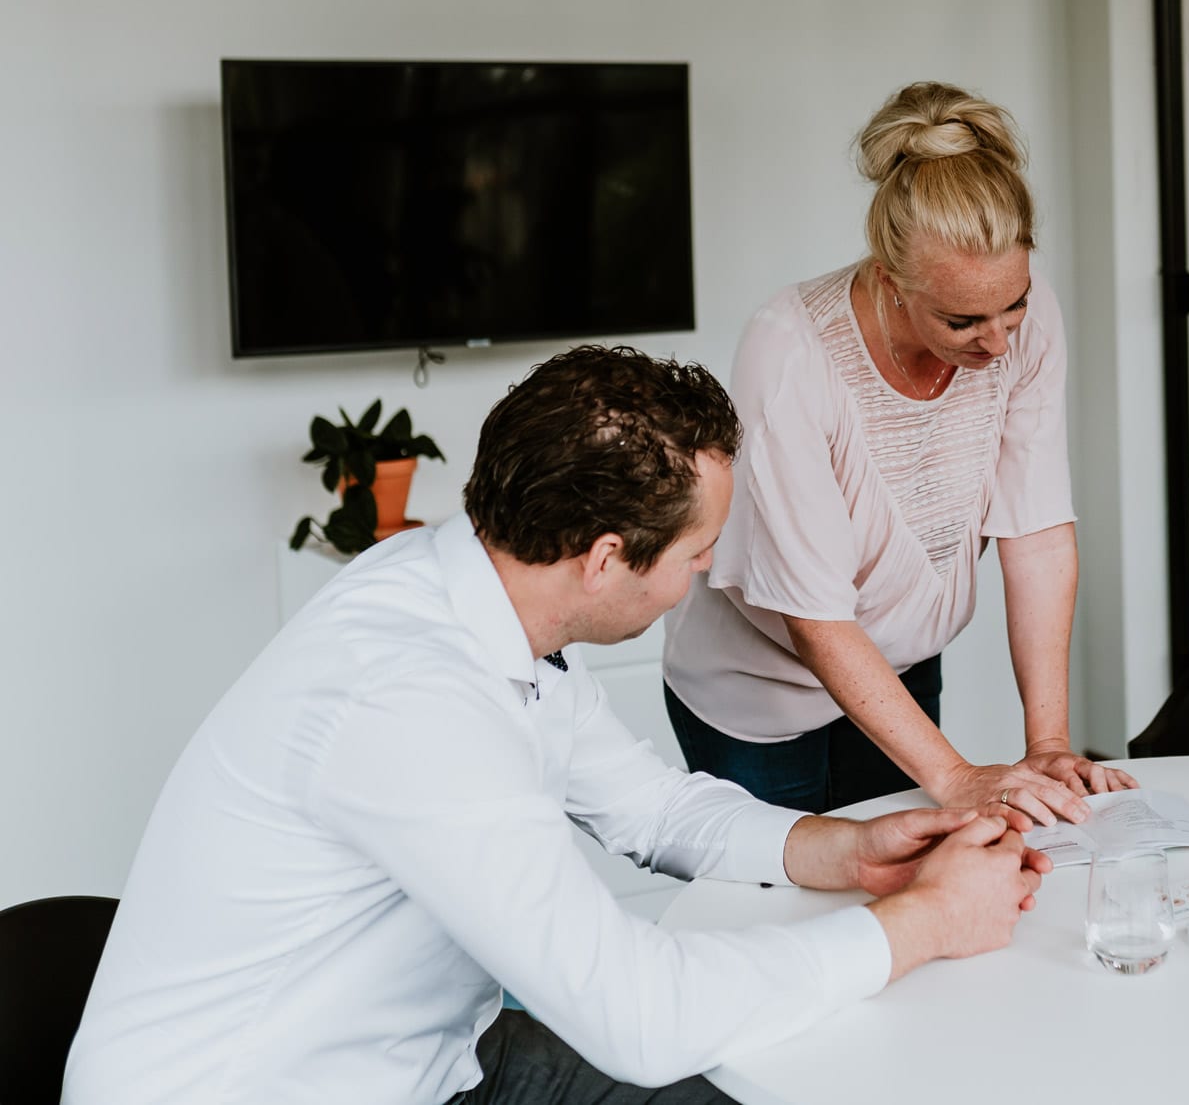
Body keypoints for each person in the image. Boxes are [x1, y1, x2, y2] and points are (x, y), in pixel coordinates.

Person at [64, 346, 1049, 1105]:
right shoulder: (411, 701)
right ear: (608, 556)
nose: (705, 571)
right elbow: (640, 1014)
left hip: (429, 1057)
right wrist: (923, 921)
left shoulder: (479, 600)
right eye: (698, 550)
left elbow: (652, 808)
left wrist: (848, 850)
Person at [662, 82, 1131, 826]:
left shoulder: (1024, 322)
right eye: (962, 319)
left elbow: (1035, 532)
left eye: (1013, 303)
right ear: (890, 280)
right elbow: (816, 617)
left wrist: (1046, 741)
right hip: (758, 695)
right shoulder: (790, 351)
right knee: (780, 915)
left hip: (901, 671)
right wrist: (954, 774)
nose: (1000, 341)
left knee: (904, 894)